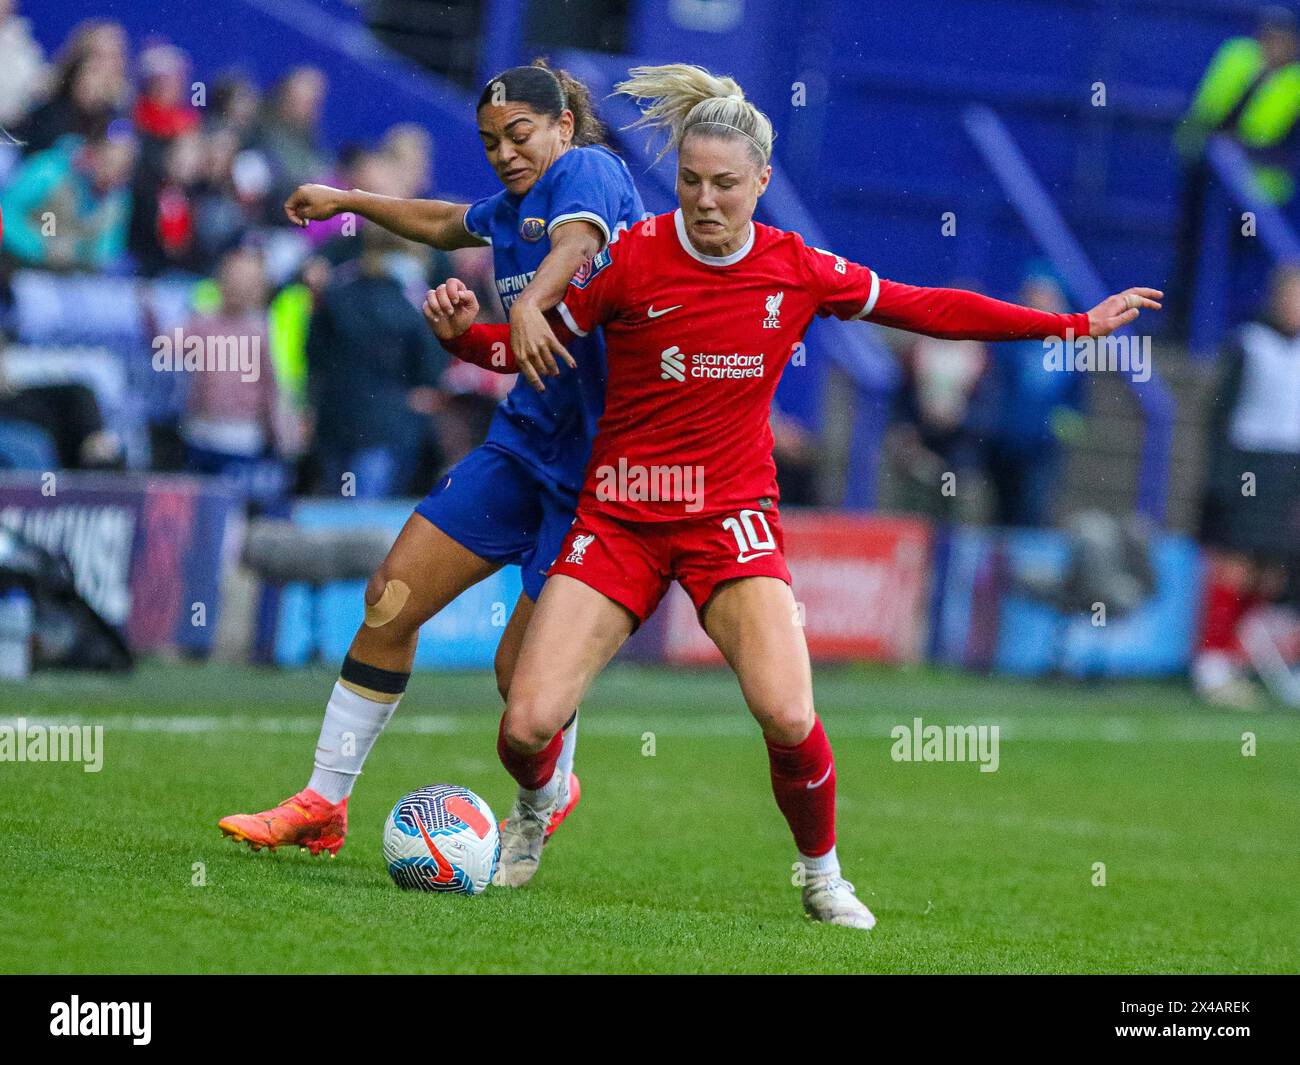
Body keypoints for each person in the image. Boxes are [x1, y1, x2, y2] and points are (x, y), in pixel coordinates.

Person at [423, 63, 1160, 924]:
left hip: (729, 520)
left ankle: (822, 875)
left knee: (786, 711)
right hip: (620, 513)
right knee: (525, 725)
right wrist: (464, 339)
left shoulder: (796, 268)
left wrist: (1070, 325)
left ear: (762, 181)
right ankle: (534, 808)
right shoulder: (630, 259)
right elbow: (531, 348)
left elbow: (928, 308)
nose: (705, 200)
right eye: (690, 181)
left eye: (725, 185)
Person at [218, 61, 645, 857]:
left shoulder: (590, 171)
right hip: (523, 445)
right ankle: (324, 799)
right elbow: (446, 220)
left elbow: (577, 240)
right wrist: (349, 202)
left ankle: (547, 794)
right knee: (391, 597)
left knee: (520, 677)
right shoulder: (511, 209)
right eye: (490, 143)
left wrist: (531, 300)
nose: (505, 153)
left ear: (562, 126)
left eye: (519, 134)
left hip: (602, 473)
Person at [1194, 263, 1300, 708]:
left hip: (1287, 469)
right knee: (1233, 566)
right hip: (1246, 466)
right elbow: (1220, 415)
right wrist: (1222, 481)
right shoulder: (1249, 344)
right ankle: (1212, 662)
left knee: (1270, 574)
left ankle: (1243, 657)